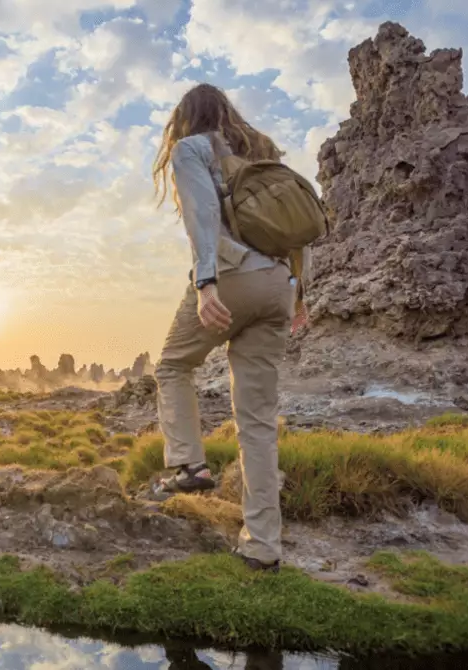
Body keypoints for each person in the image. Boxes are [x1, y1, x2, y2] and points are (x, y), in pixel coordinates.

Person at [150, 83, 312, 573]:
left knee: (173, 367)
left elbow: (201, 218)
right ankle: (263, 547)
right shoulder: (262, 153)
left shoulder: (192, 149)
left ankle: (188, 465)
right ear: (227, 113)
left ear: (186, 116)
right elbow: (301, 227)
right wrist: (300, 292)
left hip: (232, 276)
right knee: (257, 423)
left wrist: (206, 284)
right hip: (278, 285)